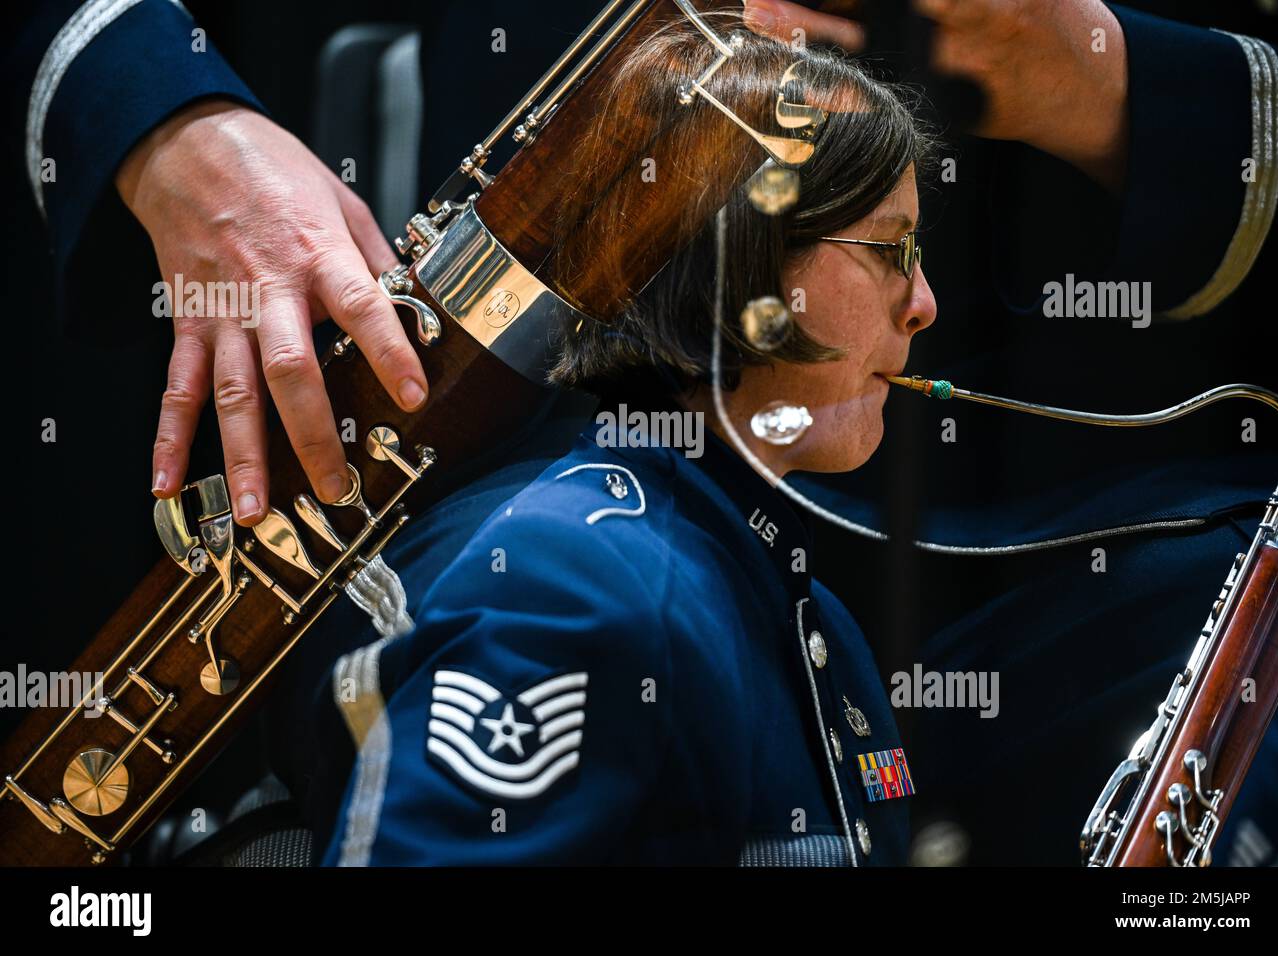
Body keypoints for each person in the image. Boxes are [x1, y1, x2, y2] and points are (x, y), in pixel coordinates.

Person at [305, 20, 937, 865]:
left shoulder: (812, 615)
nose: (924, 303)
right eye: (891, 248)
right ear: (741, 260)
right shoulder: (574, 586)